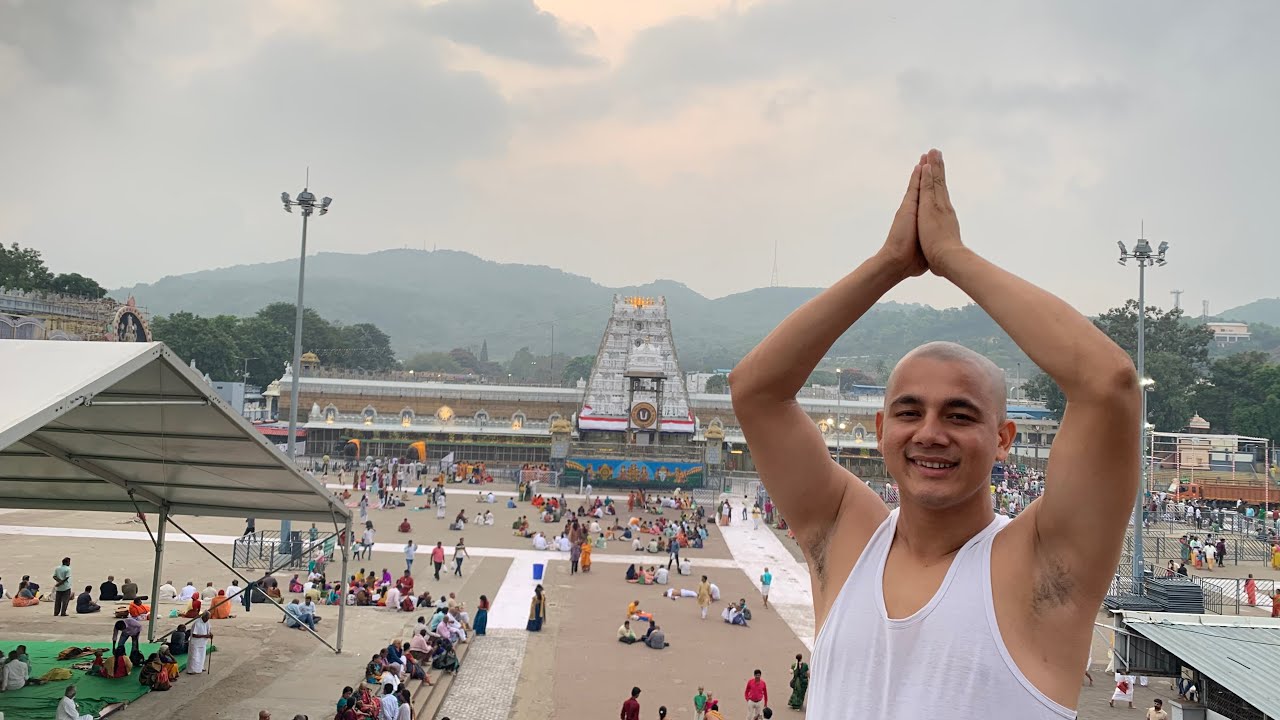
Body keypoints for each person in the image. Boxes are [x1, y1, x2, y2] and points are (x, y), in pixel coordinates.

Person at [731, 150, 1140, 717]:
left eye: (960, 415)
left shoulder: (1040, 565)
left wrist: (952, 257)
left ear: (1004, 438)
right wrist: (889, 262)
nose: (930, 433)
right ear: (880, 429)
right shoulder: (847, 536)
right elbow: (755, 389)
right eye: (909, 411)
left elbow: (1108, 382)